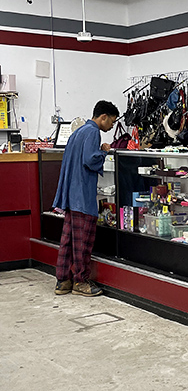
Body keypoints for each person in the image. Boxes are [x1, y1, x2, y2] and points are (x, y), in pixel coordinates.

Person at [53, 100, 119, 297]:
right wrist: (104, 152)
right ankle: (80, 281)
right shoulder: (92, 132)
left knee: (68, 240)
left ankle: (62, 281)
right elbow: (90, 159)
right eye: (112, 122)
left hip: (71, 195)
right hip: (82, 196)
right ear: (103, 117)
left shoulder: (78, 132)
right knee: (83, 242)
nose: (112, 126)